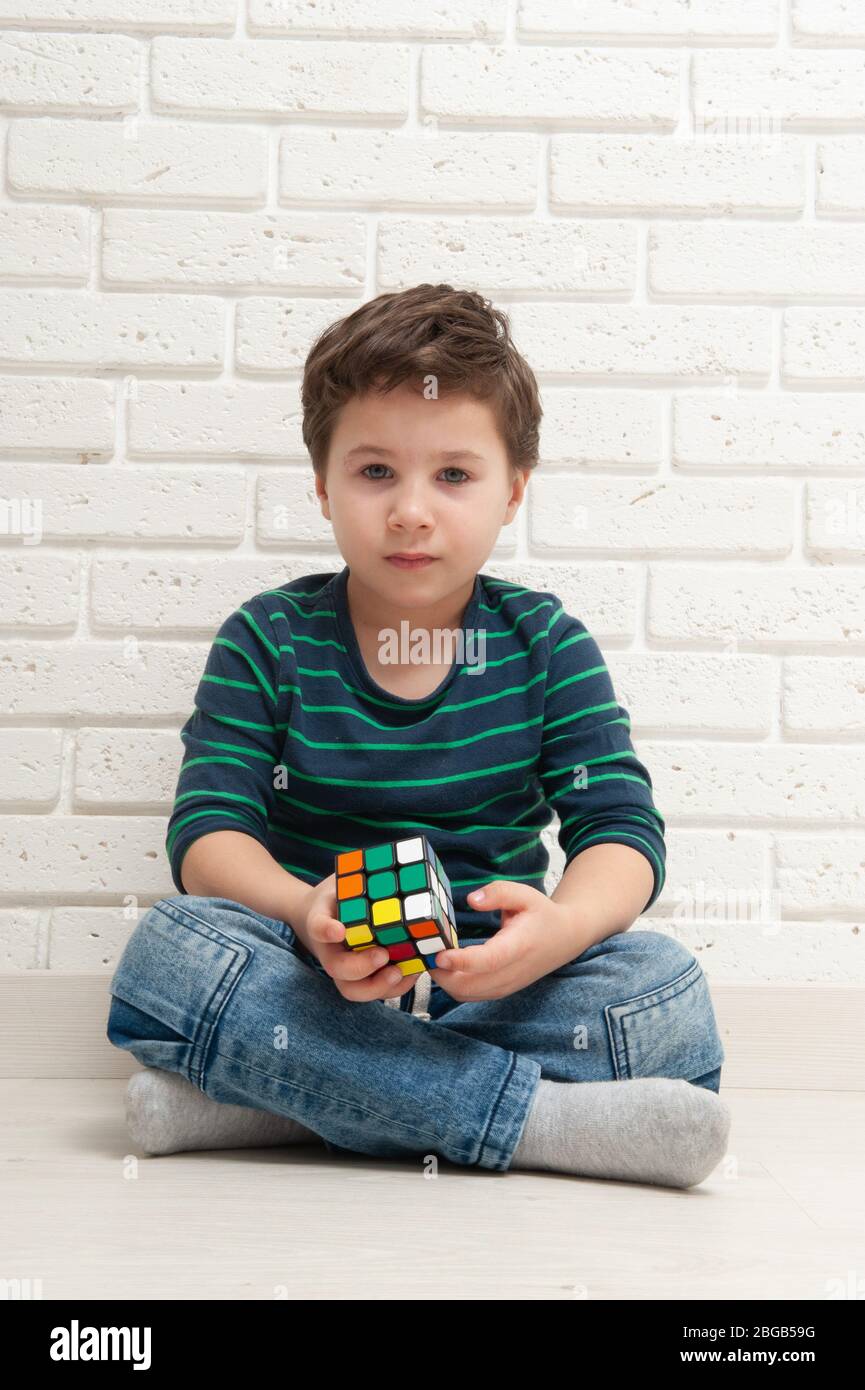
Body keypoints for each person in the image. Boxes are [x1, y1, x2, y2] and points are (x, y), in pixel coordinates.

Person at [106, 283, 730, 1189]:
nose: (410, 510)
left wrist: (559, 930)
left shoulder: (545, 644)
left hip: (500, 993)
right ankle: (541, 1122)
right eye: (374, 472)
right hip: (313, 983)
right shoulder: (269, 637)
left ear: (512, 492)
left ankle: (285, 1101)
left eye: (452, 474)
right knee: (170, 951)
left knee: (666, 993)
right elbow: (206, 835)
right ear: (321, 486)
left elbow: (622, 833)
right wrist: (303, 912)